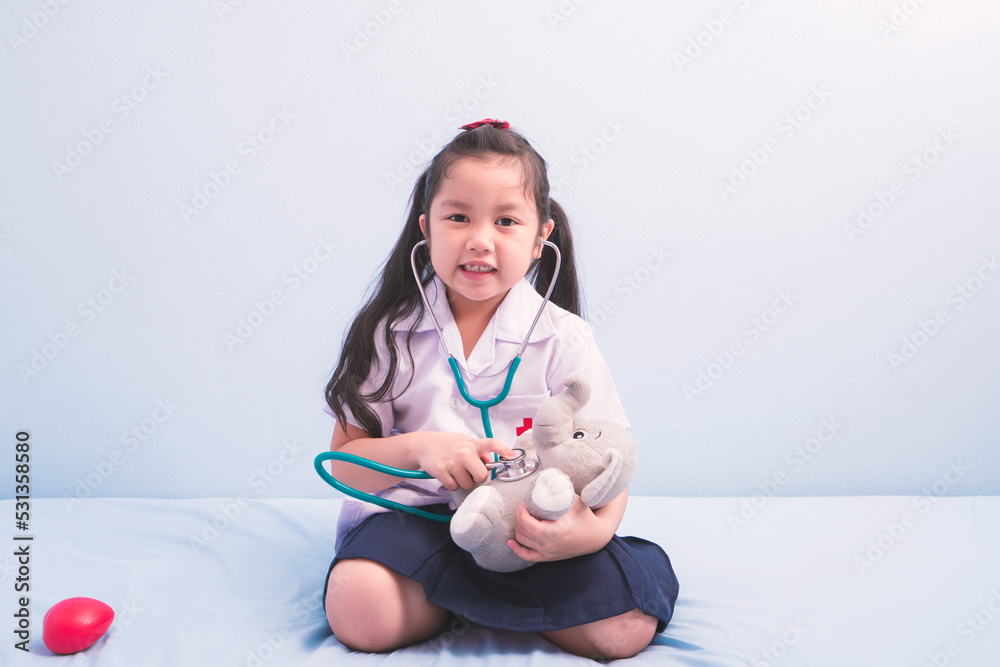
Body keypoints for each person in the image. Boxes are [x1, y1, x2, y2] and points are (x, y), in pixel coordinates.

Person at [321, 118, 678, 659]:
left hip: (528, 530)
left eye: (507, 221)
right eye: (458, 217)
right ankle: (460, 596)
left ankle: (458, 597)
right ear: (427, 228)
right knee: (359, 611)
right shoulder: (387, 334)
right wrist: (420, 449)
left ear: (541, 239)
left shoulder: (564, 337)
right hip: (416, 520)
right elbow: (344, 464)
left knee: (621, 632)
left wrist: (589, 535)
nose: (479, 240)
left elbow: (611, 461)